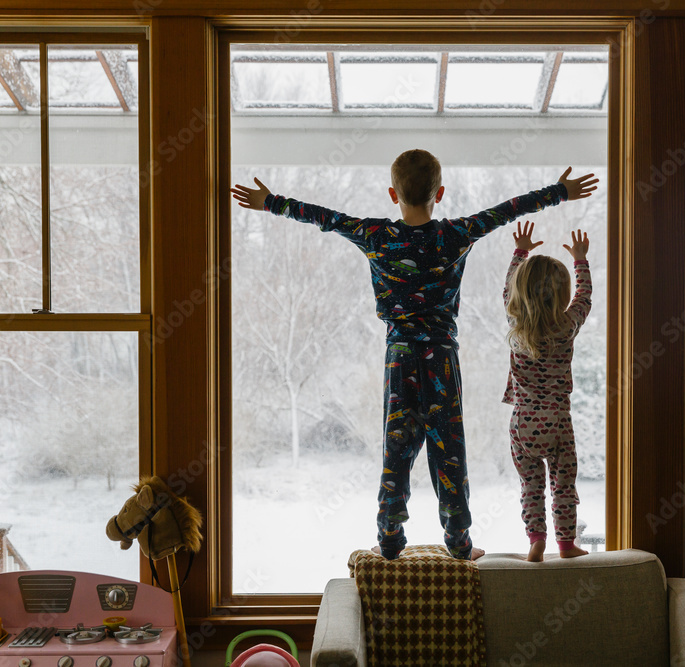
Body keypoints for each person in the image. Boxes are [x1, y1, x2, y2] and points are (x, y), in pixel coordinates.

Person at [231, 149, 598, 560]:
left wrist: (271, 203)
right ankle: (459, 544)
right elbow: (505, 212)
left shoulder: (376, 236)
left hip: (400, 358)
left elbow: (325, 218)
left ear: (393, 194)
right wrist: (559, 193)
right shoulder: (455, 235)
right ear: (439, 193)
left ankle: (389, 541)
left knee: (397, 451)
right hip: (441, 358)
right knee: (449, 454)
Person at [503, 220, 592, 562]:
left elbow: (507, 292)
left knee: (531, 486)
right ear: (562, 295)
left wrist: (520, 252)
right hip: (557, 422)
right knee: (563, 487)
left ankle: (536, 541)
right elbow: (584, 298)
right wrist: (580, 261)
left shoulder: (517, 326)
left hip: (523, 421)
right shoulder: (567, 327)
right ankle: (567, 545)